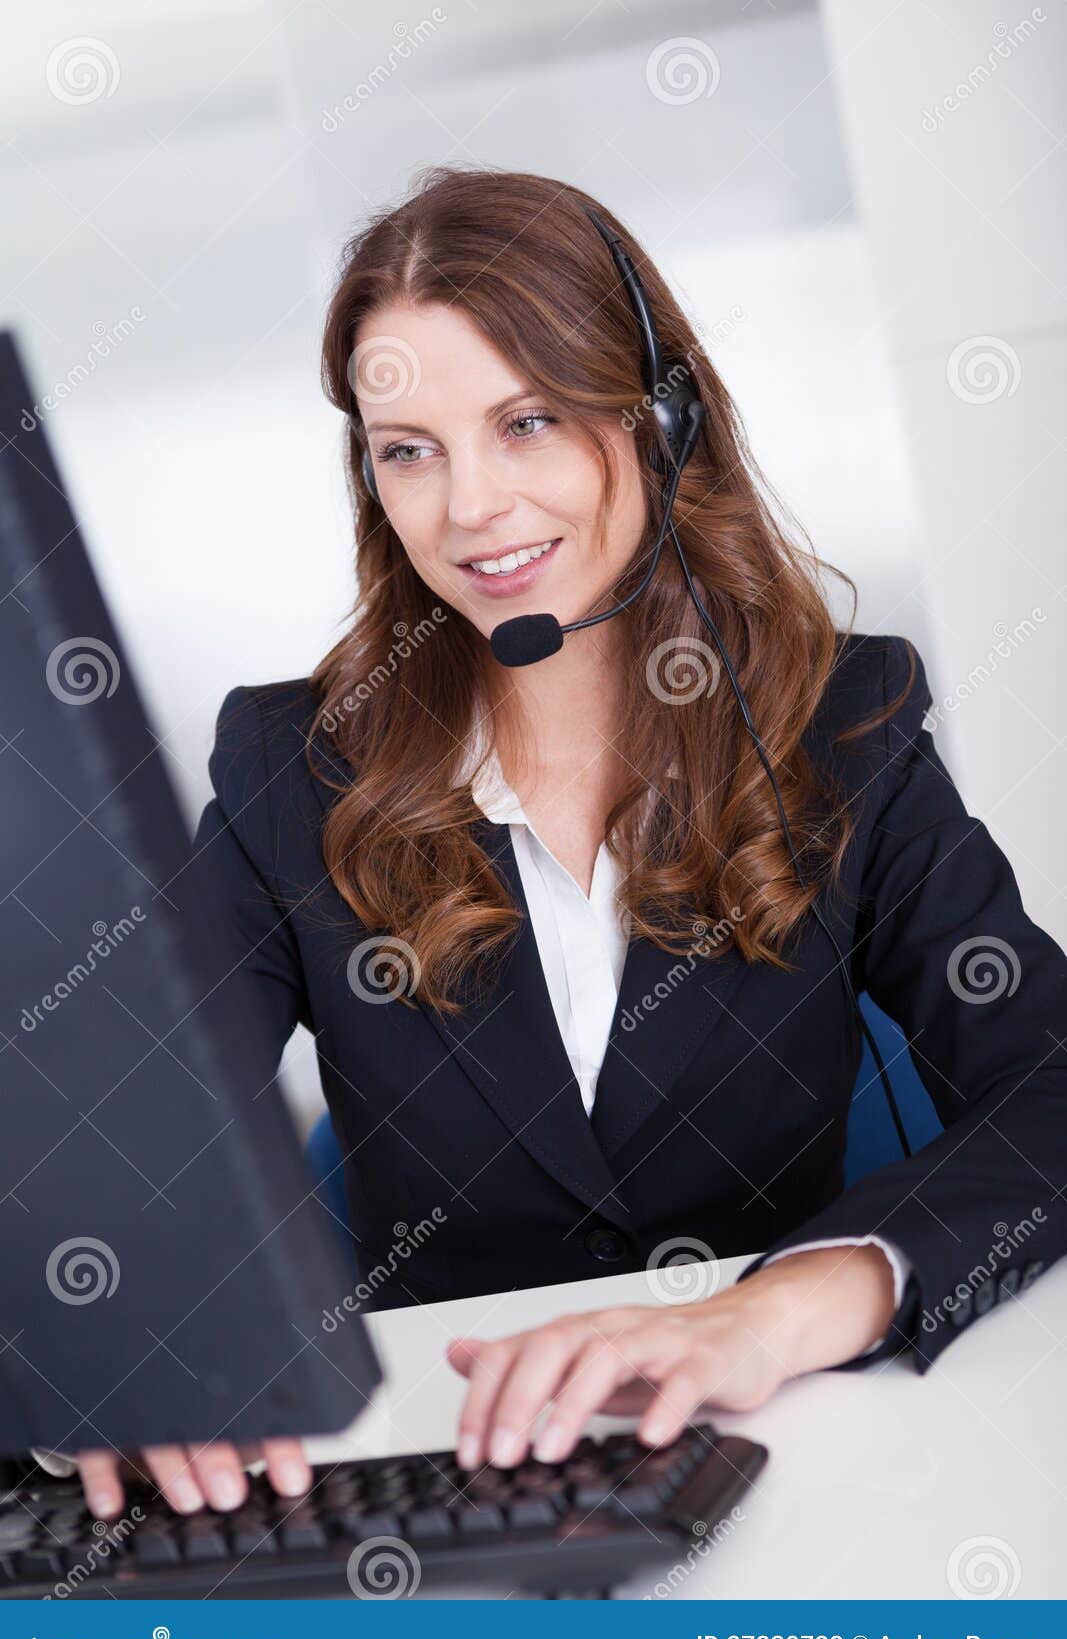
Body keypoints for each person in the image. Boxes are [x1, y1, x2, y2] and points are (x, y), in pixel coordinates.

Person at [59, 166, 1067, 1517]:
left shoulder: (844, 730)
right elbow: (121, 1138)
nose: (469, 505)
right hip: (447, 1485)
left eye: (526, 421)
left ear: (660, 419)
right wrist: (106, 1353)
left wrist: (766, 1316)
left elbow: (1052, 1091)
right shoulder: (292, 771)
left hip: (810, 1459)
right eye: (408, 447)